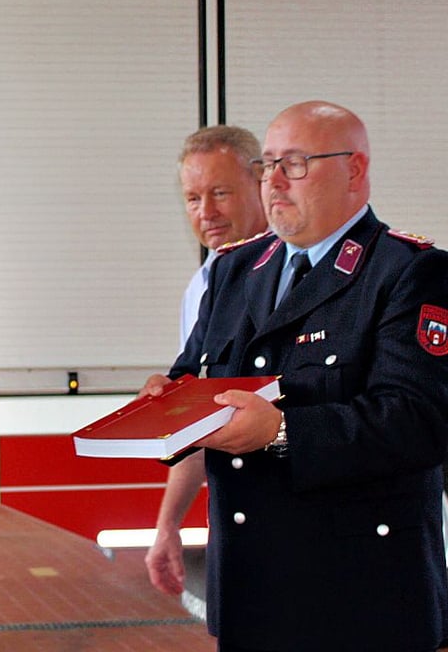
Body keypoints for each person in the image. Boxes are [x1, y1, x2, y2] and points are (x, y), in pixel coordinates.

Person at [145, 100, 448, 651]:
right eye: (268, 163)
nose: (275, 181)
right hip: (249, 589)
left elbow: (418, 422)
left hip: (359, 597)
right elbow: (196, 374)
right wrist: (166, 399)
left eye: (297, 163)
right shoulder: (237, 269)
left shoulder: (409, 272)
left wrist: (281, 433)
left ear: (355, 170)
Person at [144, 126, 267, 598]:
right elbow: (200, 413)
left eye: (220, 193)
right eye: (193, 199)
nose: (206, 213)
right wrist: (168, 525)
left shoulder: (305, 268)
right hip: (239, 517)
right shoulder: (206, 285)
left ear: (261, 183)